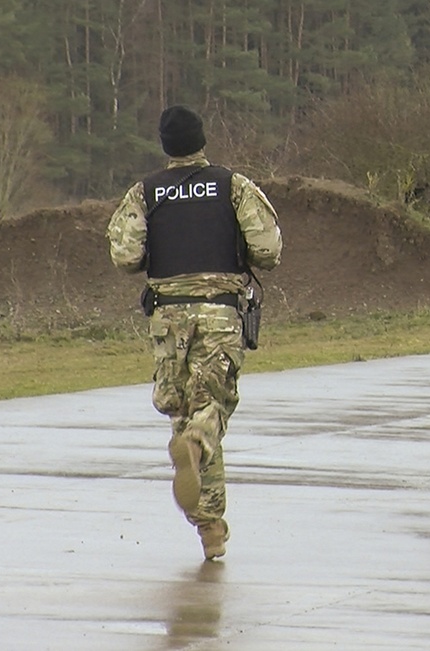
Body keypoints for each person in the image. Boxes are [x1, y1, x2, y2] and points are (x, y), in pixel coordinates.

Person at [107, 105, 282, 560]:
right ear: (202, 140)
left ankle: (210, 527)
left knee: (183, 409)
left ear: (165, 147)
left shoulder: (145, 193)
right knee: (212, 407)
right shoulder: (232, 186)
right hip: (220, 312)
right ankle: (198, 444)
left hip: (168, 317)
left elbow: (125, 256)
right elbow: (268, 249)